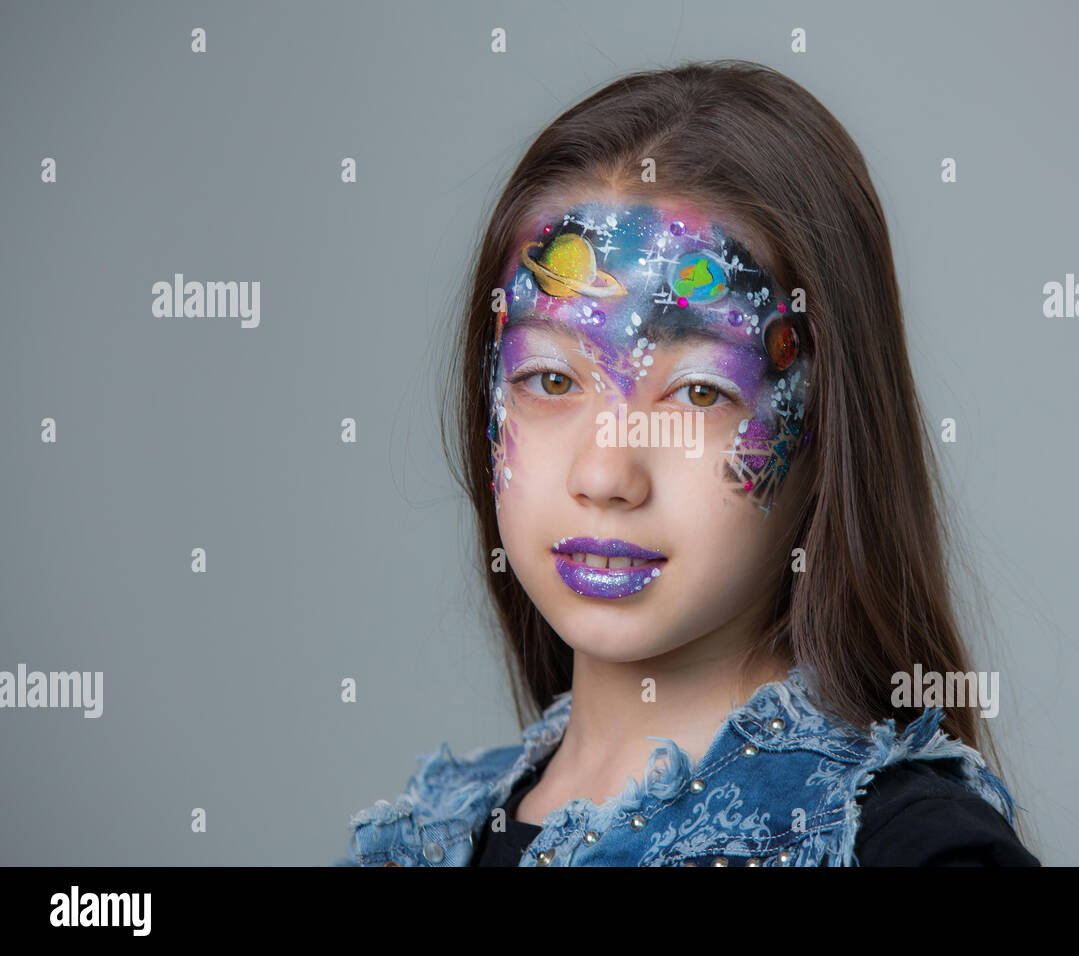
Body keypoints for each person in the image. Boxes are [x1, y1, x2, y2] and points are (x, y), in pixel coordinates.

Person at [335, 59, 1040, 867]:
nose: (605, 476)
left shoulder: (909, 850)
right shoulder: (417, 842)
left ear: (825, 433)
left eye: (700, 394)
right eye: (551, 379)